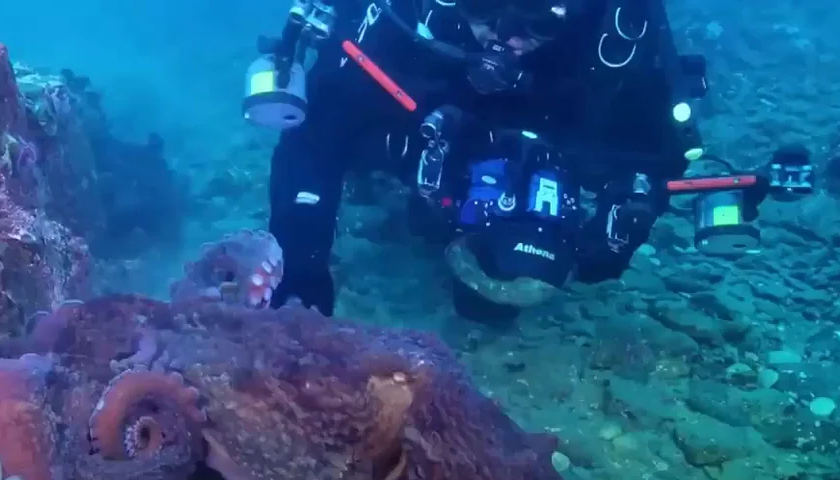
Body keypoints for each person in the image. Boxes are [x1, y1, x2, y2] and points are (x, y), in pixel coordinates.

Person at [259, 0, 708, 322]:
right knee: (357, 138)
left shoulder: (618, 31)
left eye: (532, 19)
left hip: (559, 116)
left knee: (501, 292)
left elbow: (661, 156)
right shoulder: (402, 17)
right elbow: (314, 134)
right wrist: (301, 260)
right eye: (485, 8)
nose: (506, 38)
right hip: (425, 115)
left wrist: (609, 240)